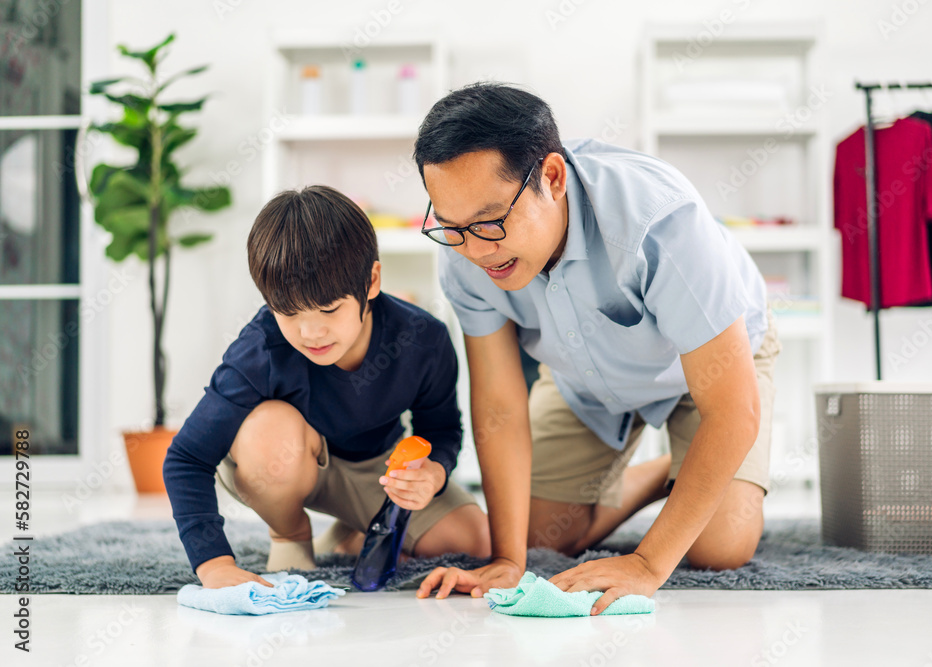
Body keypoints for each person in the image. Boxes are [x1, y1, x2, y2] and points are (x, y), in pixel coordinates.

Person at [412, 83, 781, 614]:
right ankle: (668, 472)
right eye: (453, 227)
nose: (475, 250)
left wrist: (648, 563)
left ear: (553, 178)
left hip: (705, 375)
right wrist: (509, 560)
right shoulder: (466, 251)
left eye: (491, 222)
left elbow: (732, 410)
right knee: (541, 536)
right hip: (582, 378)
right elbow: (498, 403)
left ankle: (690, 463)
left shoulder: (660, 222)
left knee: (718, 547)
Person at [163, 185, 490, 589]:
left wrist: (434, 473)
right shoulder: (261, 348)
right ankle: (290, 535)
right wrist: (214, 565)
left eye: (329, 310)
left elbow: (440, 430)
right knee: (269, 431)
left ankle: (351, 534)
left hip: (376, 468)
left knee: (474, 541)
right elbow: (186, 458)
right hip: (284, 458)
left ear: (371, 282)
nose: (311, 332)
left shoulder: (423, 339)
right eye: (288, 313)